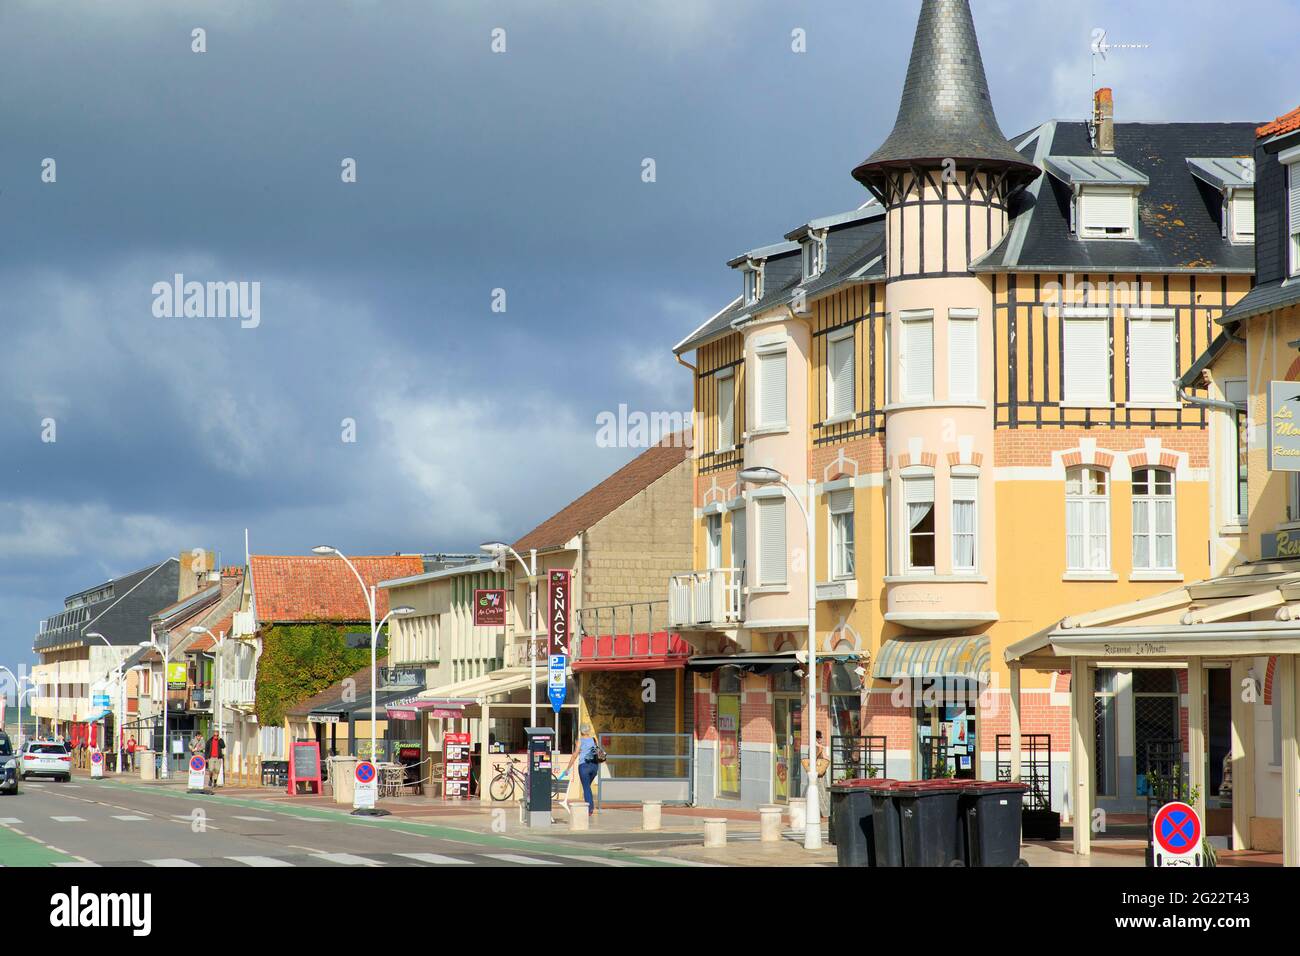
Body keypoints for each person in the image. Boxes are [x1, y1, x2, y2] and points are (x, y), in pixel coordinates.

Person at [562, 724, 602, 817]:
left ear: (581, 731)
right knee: (587, 787)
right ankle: (590, 806)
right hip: (594, 766)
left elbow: (575, 755)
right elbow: (597, 752)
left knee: (586, 787)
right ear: (588, 731)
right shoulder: (593, 740)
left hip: (584, 767)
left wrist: (568, 768)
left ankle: (590, 809)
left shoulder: (580, 741)